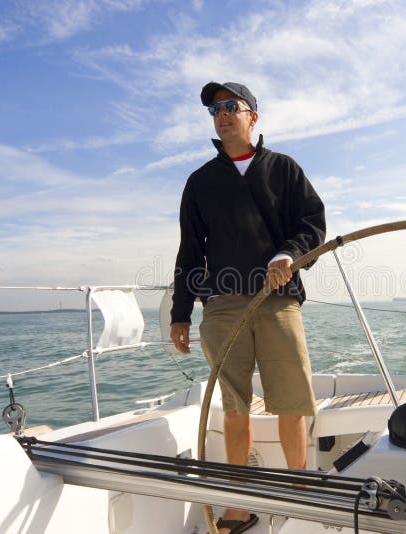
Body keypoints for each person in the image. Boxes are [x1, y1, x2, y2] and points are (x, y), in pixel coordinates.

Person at [170, 81, 325, 534]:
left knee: (292, 405)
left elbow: (313, 224)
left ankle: (301, 498)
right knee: (235, 410)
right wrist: (181, 312)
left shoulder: (284, 169)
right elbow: (189, 250)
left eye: (230, 106)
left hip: (278, 301)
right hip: (221, 308)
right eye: (215, 109)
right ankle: (238, 506)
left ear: (252, 116)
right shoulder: (200, 182)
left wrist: (288, 253)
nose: (221, 113)